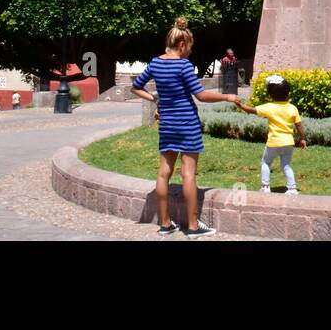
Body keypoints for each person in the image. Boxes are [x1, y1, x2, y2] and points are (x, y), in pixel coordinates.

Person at [131, 18, 240, 237]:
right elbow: (200, 95)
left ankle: (165, 224)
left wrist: (154, 99)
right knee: (188, 174)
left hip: (167, 125)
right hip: (187, 123)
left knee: (164, 173)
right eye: (190, 47)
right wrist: (228, 96)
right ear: (182, 45)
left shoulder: (155, 63)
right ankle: (192, 226)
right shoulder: (183, 65)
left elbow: (135, 87)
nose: (190, 51)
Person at [233, 75, 306, 195]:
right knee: (286, 165)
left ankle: (265, 186)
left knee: (266, 162)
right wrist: (302, 139)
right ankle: (292, 188)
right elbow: (299, 126)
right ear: (288, 94)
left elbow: (250, 110)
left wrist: (240, 105)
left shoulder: (269, 107)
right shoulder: (293, 108)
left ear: (271, 95)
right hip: (288, 142)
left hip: (273, 142)